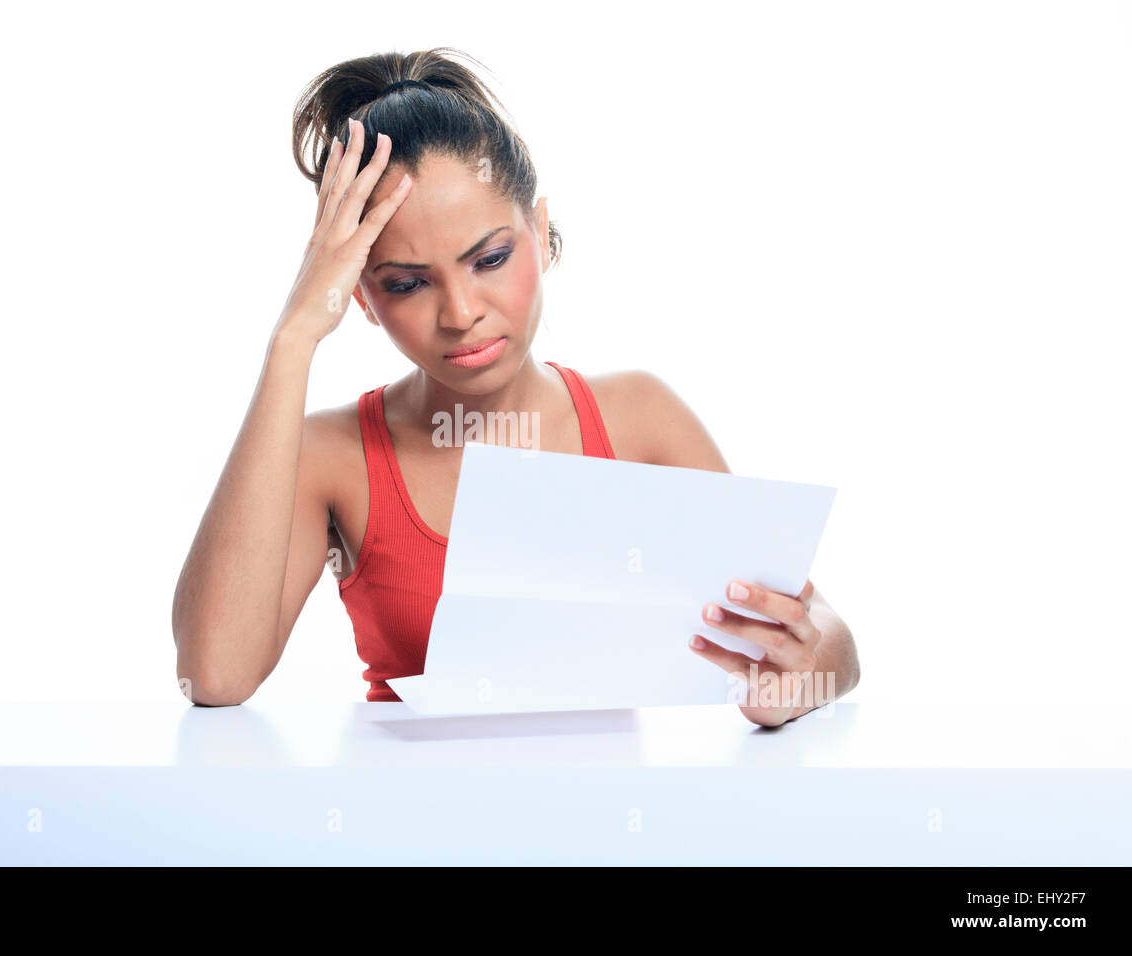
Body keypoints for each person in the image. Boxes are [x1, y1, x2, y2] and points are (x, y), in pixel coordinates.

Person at [172, 47, 860, 727]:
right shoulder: (330, 455)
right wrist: (293, 339)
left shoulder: (639, 419)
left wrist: (795, 678)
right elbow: (215, 674)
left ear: (541, 230)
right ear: (360, 295)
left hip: (606, 804)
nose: (460, 312)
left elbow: (823, 629)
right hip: (406, 801)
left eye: (491, 258)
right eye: (407, 283)